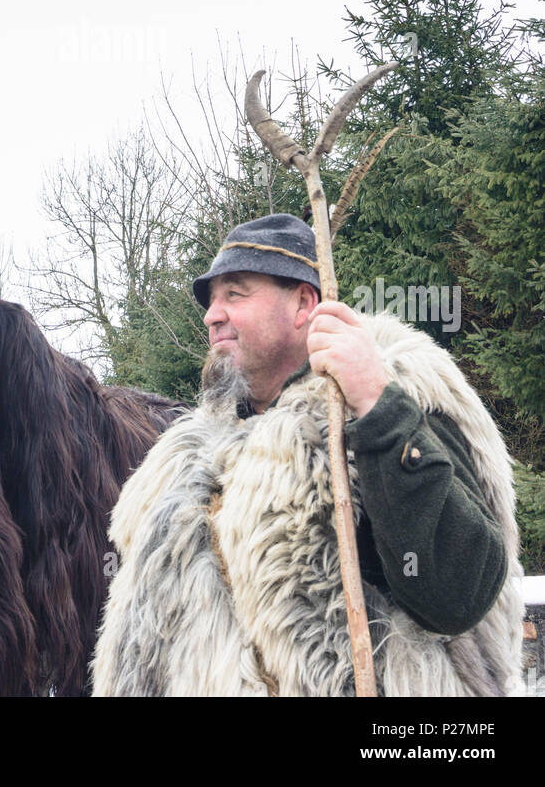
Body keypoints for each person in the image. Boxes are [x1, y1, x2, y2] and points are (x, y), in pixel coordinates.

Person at [91, 214, 523, 697]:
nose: (213, 314)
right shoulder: (179, 464)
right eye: (211, 300)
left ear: (303, 302)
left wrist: (378, 407)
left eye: (235, 294)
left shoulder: (392, 395)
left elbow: (459, 594)